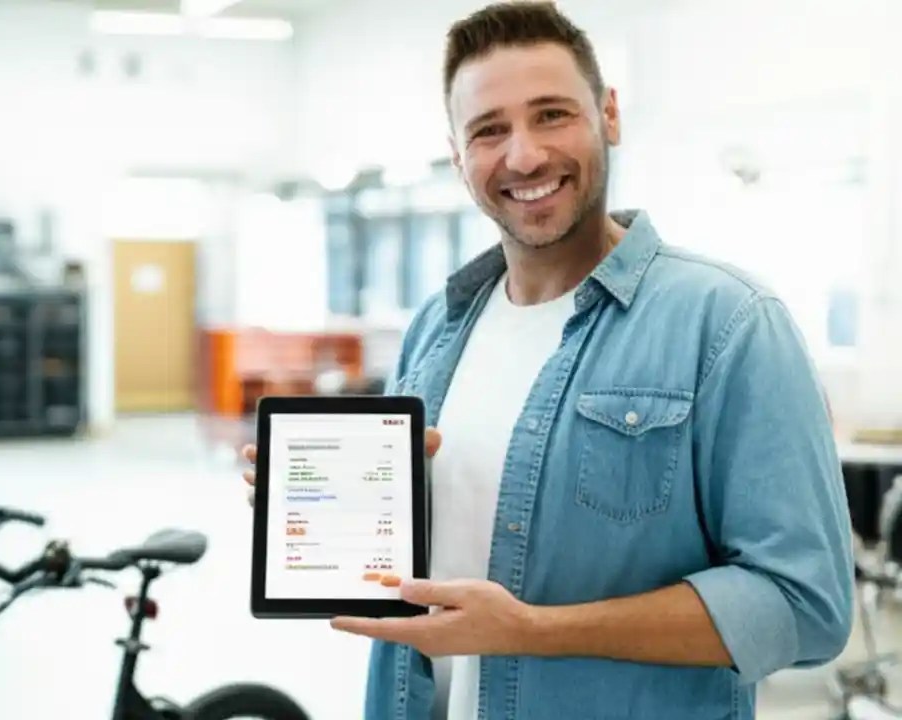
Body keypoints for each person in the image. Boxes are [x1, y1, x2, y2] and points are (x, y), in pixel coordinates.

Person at [241, 2, 854, 718]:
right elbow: (426, 559)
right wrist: (320, 505)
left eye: (552, 115)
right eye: (489, 130)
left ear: (610, 116)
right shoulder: (435, 330)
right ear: (457, 154)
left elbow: (804, 603)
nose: (524, 155)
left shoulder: (728, 324)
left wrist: (534, 632)